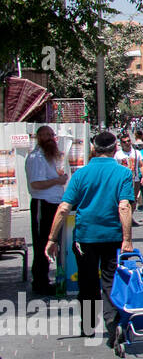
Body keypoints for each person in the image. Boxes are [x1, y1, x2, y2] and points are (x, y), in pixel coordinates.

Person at [43, 131, 134, 343]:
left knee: (88, 281)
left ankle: (88, 325)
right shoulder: (123, 173)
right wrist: (127, 239)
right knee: (111, 281)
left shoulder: (81, 174)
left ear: (93, 149)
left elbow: (64, 208)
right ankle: (113, 324)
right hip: (112, 236)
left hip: (85, 237)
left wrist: (51, 239)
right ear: (114, 149)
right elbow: (124, 206)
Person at [25, 125, 67, 296]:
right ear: (39, 137)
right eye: (46, 135)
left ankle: (49, 279)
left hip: (53, 202)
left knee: (54, 241)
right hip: (43, 203)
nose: (50, 138)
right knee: (42, 242)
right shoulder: (36, 157)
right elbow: (36, 184)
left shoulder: (48, 156)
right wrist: (57, 181)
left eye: (52, 135)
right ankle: (40, 282)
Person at [114, 132, 143, 226]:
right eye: (124, 142)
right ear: (121, 143)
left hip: (134, 179)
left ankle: (129, 217)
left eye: (128, 141)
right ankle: (123, 218)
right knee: (123, 199)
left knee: (133, 200)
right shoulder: (118, 154)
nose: (127, 143)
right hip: (121, 181)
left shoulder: (136, 153)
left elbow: (141, 165)